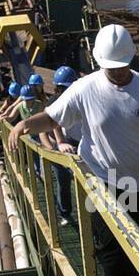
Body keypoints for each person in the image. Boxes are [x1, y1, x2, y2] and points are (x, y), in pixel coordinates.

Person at [8, 25, 139, 276]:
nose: (118, 72)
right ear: (100, 62)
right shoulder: (85, 88)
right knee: (109, 244)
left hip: (138, 180)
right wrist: (25, 125)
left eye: (122, 66)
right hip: (99, 179)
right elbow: (52, 117)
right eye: (112, 67)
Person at [48, 65, 80, 227]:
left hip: (84, 142)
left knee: (88, 183)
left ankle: (93, 221)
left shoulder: (81, 96)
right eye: (61, 88)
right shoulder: (55, 101)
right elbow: (54, 121)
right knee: (63, 181)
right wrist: (60, 142)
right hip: (67, 143)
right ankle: (65, 213)